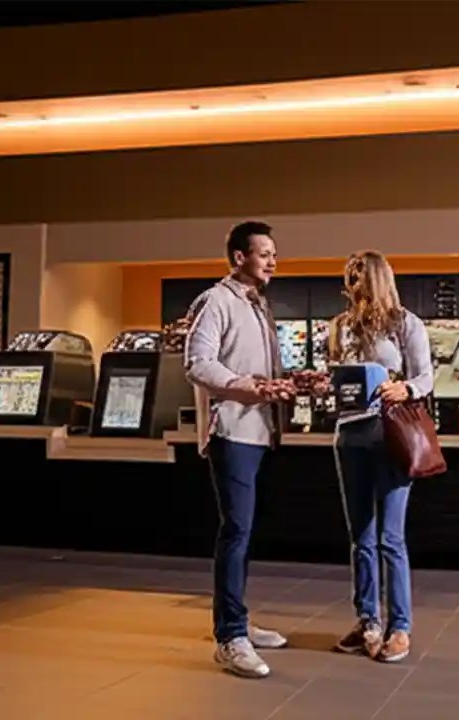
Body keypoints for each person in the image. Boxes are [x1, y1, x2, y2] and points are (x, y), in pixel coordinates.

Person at [184, 220, 291, 679]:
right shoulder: (217, 301)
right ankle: (230, 637)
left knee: (245, 534)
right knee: (236, 533)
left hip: (261, 432)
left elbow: (257, 369)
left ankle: (239, 621)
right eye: (263, 252)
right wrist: (242, 386)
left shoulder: (258, 306)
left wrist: (284, 386)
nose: (272, 260)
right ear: (238, 257)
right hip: (232, 433)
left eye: (273, 253)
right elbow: (198, 361)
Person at [328, 250, 433, 663]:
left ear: (379, 278)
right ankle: (367, 619)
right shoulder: (340, 327)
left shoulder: (405, 323)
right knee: (361, 539)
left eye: (361, 274)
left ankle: (400, 627)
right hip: (349, 437)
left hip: (391, 436)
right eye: (350, 274)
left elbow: (424, 376)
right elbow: (335, 377)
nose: (355, 282)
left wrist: (403, 388)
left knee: (391, 538)